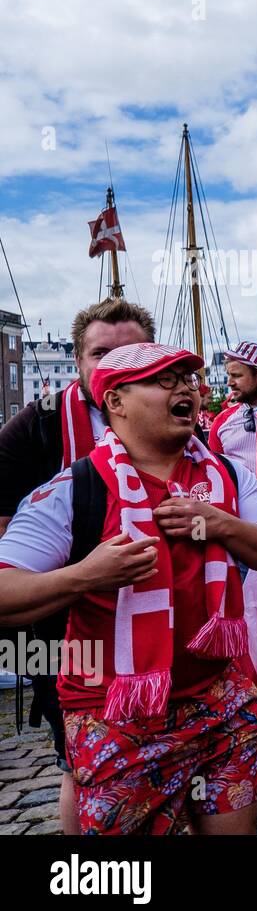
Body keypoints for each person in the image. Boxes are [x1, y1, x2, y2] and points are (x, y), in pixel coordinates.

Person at [0, 342, 257, 834]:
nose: (185, 388)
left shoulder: (226, 474)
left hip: (223, 702)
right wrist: (85, 576)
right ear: (115, 402)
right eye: (163, 380)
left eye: (187, 378)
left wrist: (219, 524)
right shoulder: (74, 490)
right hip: (117, 715)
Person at [0, 297, 154, 834]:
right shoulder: (37, 427)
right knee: (81, 760)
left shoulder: (175, 418)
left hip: (158, 619)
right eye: (98, 353)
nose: (111, 363)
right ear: (80, 359)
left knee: (161, 750)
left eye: (129, 351)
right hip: (66, 628)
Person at [209, 341, 257, 483]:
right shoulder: (221, 422)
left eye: (236, 376)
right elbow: (217, 476)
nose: (229, 383)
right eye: (229, 375)